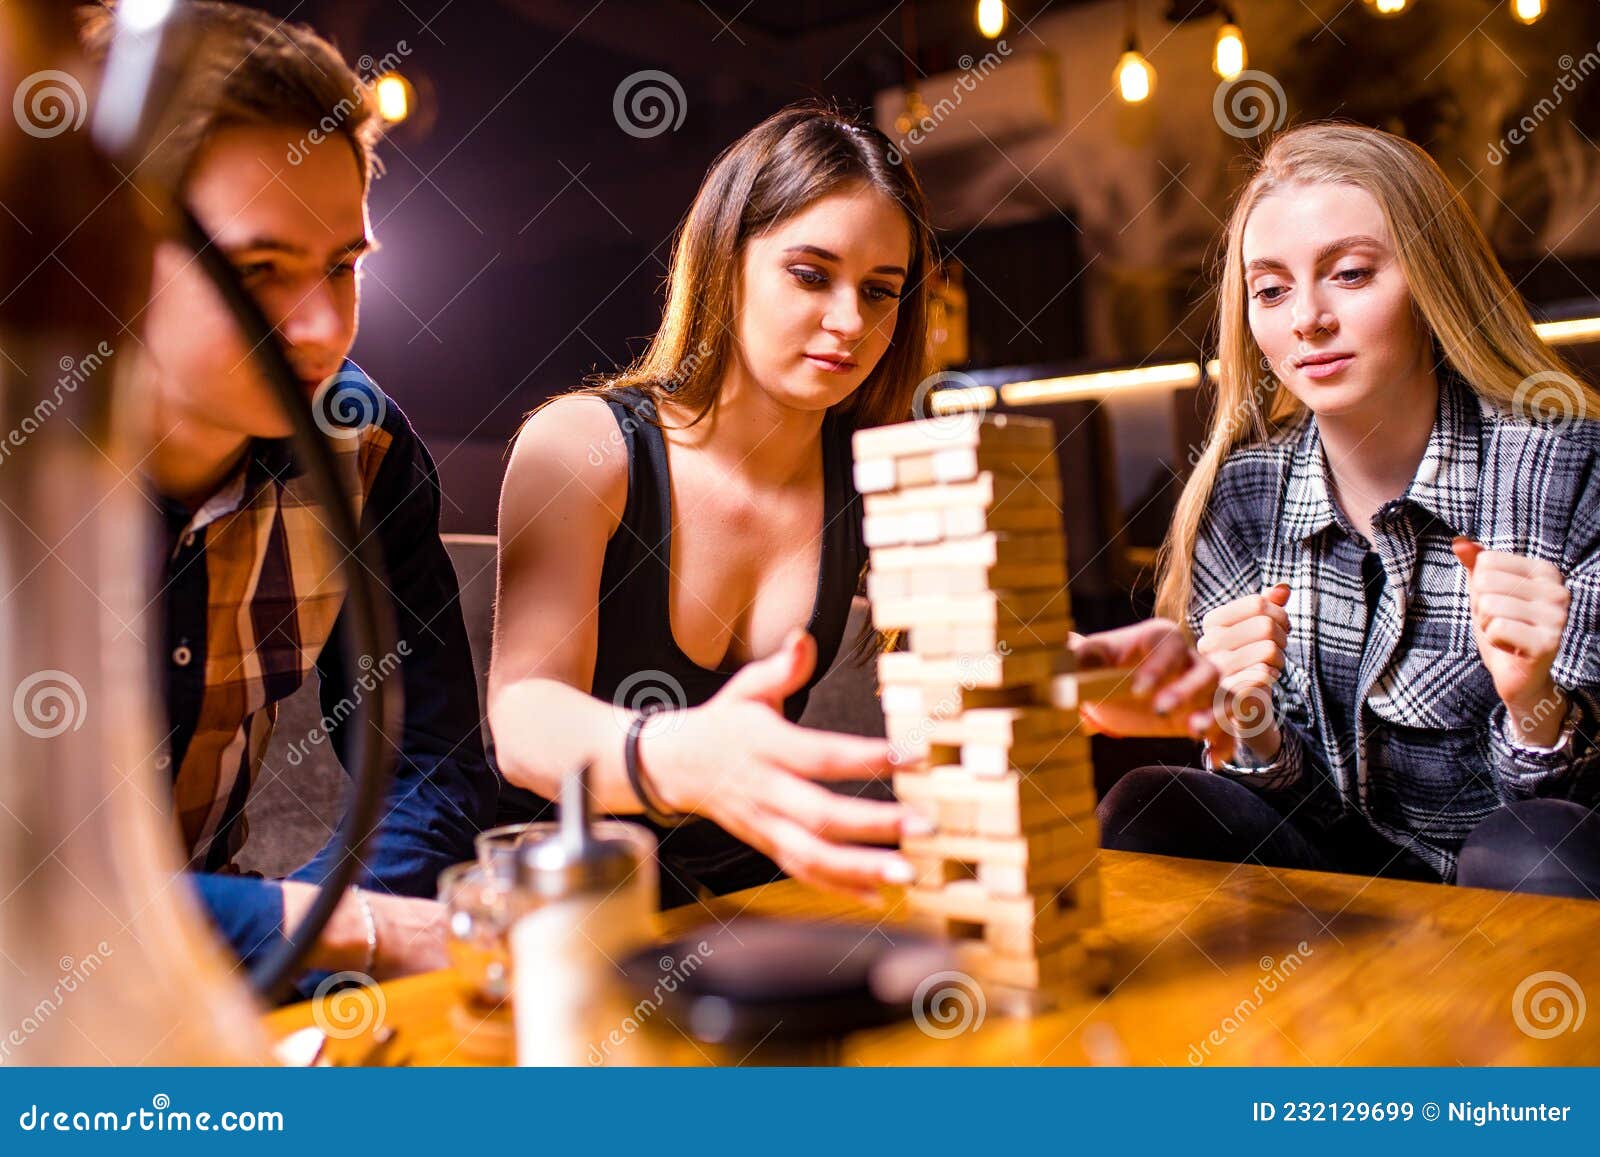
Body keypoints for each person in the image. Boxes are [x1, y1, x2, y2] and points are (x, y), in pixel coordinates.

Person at [490, 104, 1230, 908]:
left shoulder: (870, 474)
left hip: (761, 898)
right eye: (811, 274)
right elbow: (522, 718)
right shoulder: (584, 447)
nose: (851, 322)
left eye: (880, 291)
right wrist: (680, 753)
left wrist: (1084, 674)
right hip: (575, 901)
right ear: (724, 263)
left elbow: (967, 669)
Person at [80, 1, 497, 979]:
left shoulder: (361, 447)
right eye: (261, 270)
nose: (319, 328)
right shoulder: (33, 463)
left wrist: (300, 941)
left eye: (343, 266)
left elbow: (430, 770)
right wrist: (338, 926)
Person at [1101, 122, 1600, 899]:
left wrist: (1533, 701)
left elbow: (1571, 823)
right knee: (1147, 804)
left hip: (1512, 897)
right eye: (1272, 290)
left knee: (1525, 848)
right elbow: (1295, 815)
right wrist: (1248, 719)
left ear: (1431, 280)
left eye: (1351, 274)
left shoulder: (1567, 467)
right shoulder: (1242, 495)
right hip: (1334, 914)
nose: (1307, 318)